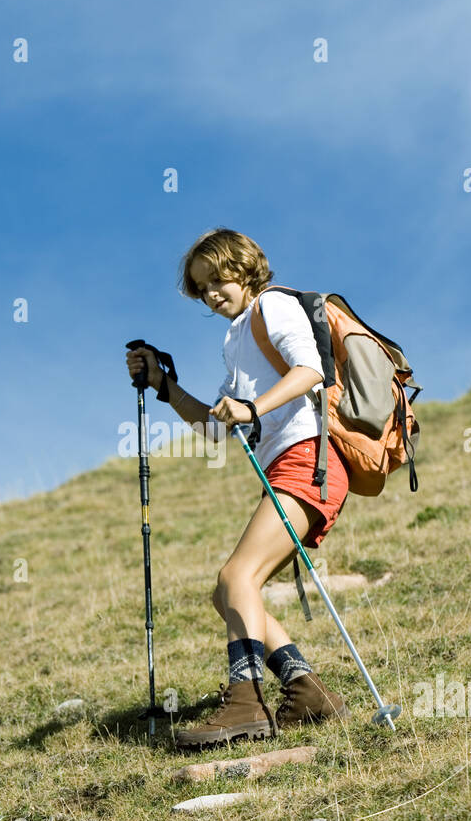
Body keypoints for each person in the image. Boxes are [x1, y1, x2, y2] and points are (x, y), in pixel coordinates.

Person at [125, 227, 352, 749]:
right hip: (289, 465)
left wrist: (253, 407)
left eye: (218, 278)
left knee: (237, 574)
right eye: (202, 287)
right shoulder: (238, 337)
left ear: (244, 268)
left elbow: (311, 370)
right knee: (226, 590)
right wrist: (164, 386)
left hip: (310, 459)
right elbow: (213, 426)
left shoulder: (273, 306)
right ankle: (306, 689)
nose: (210, 293)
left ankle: (245, 703)